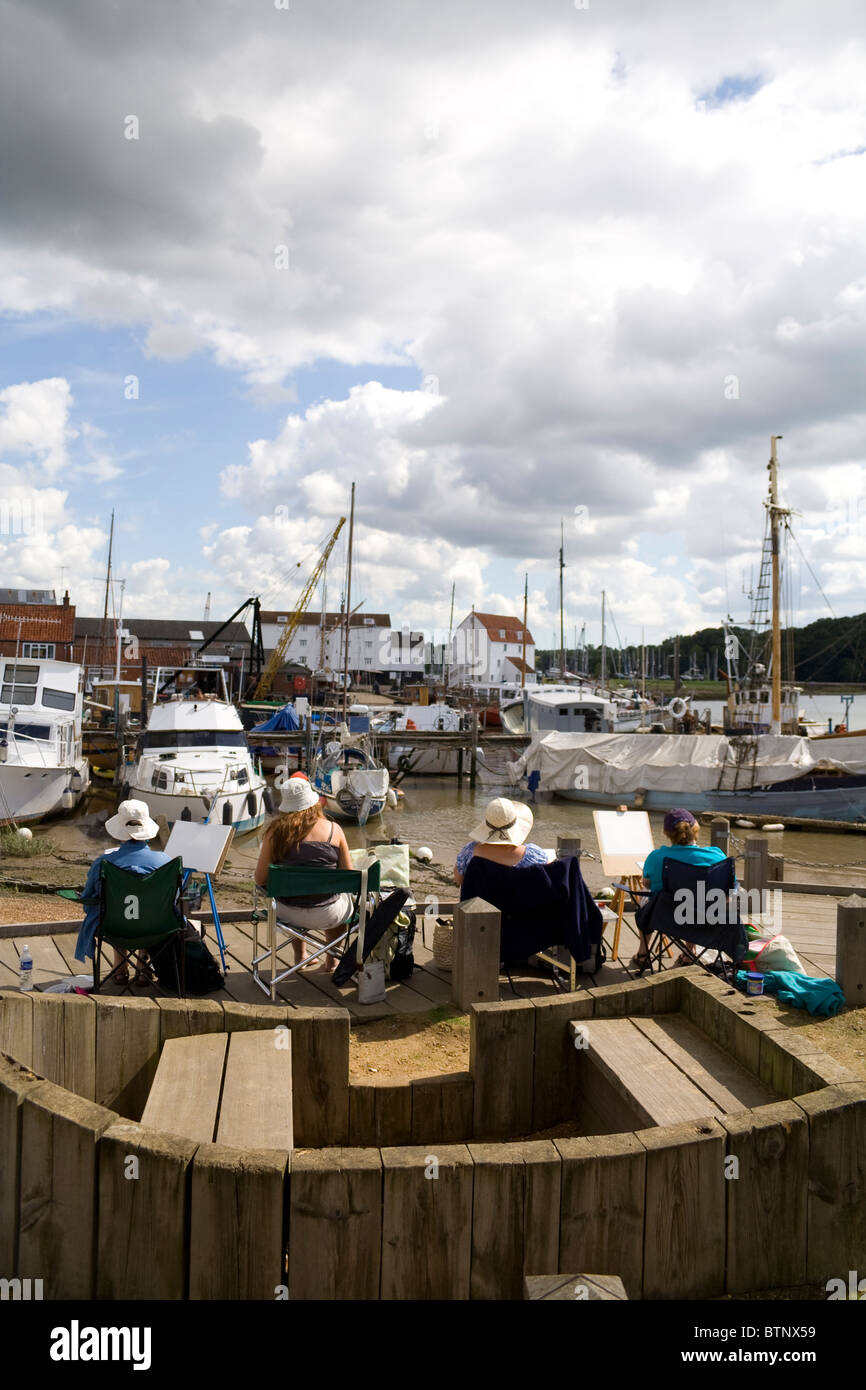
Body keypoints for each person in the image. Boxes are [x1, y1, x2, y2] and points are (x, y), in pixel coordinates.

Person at [255, 777, 355, 972]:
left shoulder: (274, 833)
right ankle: (333, 958)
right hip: (329, 914)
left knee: (291, 894)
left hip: (287, 914)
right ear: (314, 801)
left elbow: (260, 879)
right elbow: (349, 878)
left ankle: (301, 955)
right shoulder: (334, 830)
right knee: (339, 896)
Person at [74, 799, 176, 985]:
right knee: (144, 911)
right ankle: (143, 964)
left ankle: (120, 967)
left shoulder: (103, 864)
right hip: (157, 928)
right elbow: (174, 899)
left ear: (120, 832)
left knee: (116, 911)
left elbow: (89, 897)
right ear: (146, 831)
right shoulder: (165, 863)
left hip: (113, 928)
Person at [631, 807, 730, 969]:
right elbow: (729, 887)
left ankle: (643, 953)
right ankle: (689, 953)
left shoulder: (657, 857)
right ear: (695, 829)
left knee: (647, 898)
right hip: (707, 919)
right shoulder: (717, 856)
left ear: (668, 833)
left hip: (666, 919)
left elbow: (647, 884)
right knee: (696, 899)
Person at [453, 796, 549, 885]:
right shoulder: (534, 856)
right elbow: (546, 881)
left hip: (479, 902)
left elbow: (459, 880)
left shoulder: (469, 853)